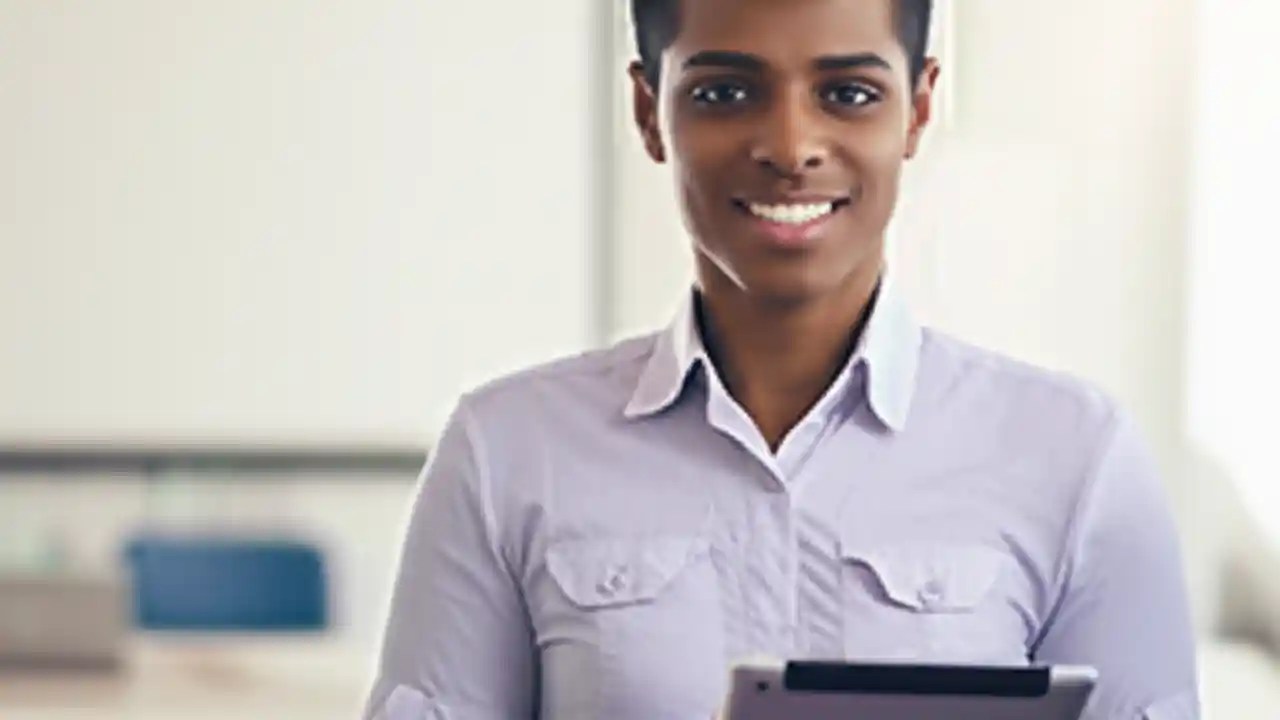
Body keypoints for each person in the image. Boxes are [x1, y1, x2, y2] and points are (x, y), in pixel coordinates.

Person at [363, 0, 1199, 718]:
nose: (791, 146)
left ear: (917, 108)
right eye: (725, 93)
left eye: (848, 94)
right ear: (650, 113)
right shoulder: (506, 450)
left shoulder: (1074, 459)